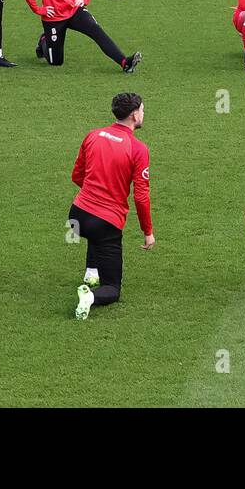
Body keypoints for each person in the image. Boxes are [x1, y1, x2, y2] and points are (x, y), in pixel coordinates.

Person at [69, 92, 153, 320]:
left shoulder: (93, 135)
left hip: (76, 218)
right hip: (104, 222)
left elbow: (77, 175)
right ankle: (90, 297)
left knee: (95, 234)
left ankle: (90, 272)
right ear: (134, 115)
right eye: (143, 110)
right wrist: (148, 233)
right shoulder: (138, 149)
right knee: (113, 289)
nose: (144, 114)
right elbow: (141, 197)